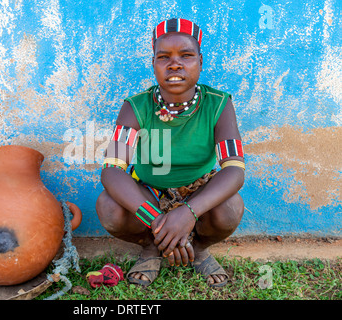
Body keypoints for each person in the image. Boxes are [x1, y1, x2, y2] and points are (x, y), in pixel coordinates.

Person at [96, 18, 245, 288]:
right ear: (154, 64)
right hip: (149, 196)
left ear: (200, 61)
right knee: (108, 206)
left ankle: (197, 248)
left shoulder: (219, 105)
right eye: (163, 57)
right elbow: (112, 170)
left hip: (198, 195)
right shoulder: (136, 107)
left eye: (186, 55)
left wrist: (188, 213)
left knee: (231, 207)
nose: (175, 64)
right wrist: (158, 223)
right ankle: (153, 247)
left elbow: (234, 169)